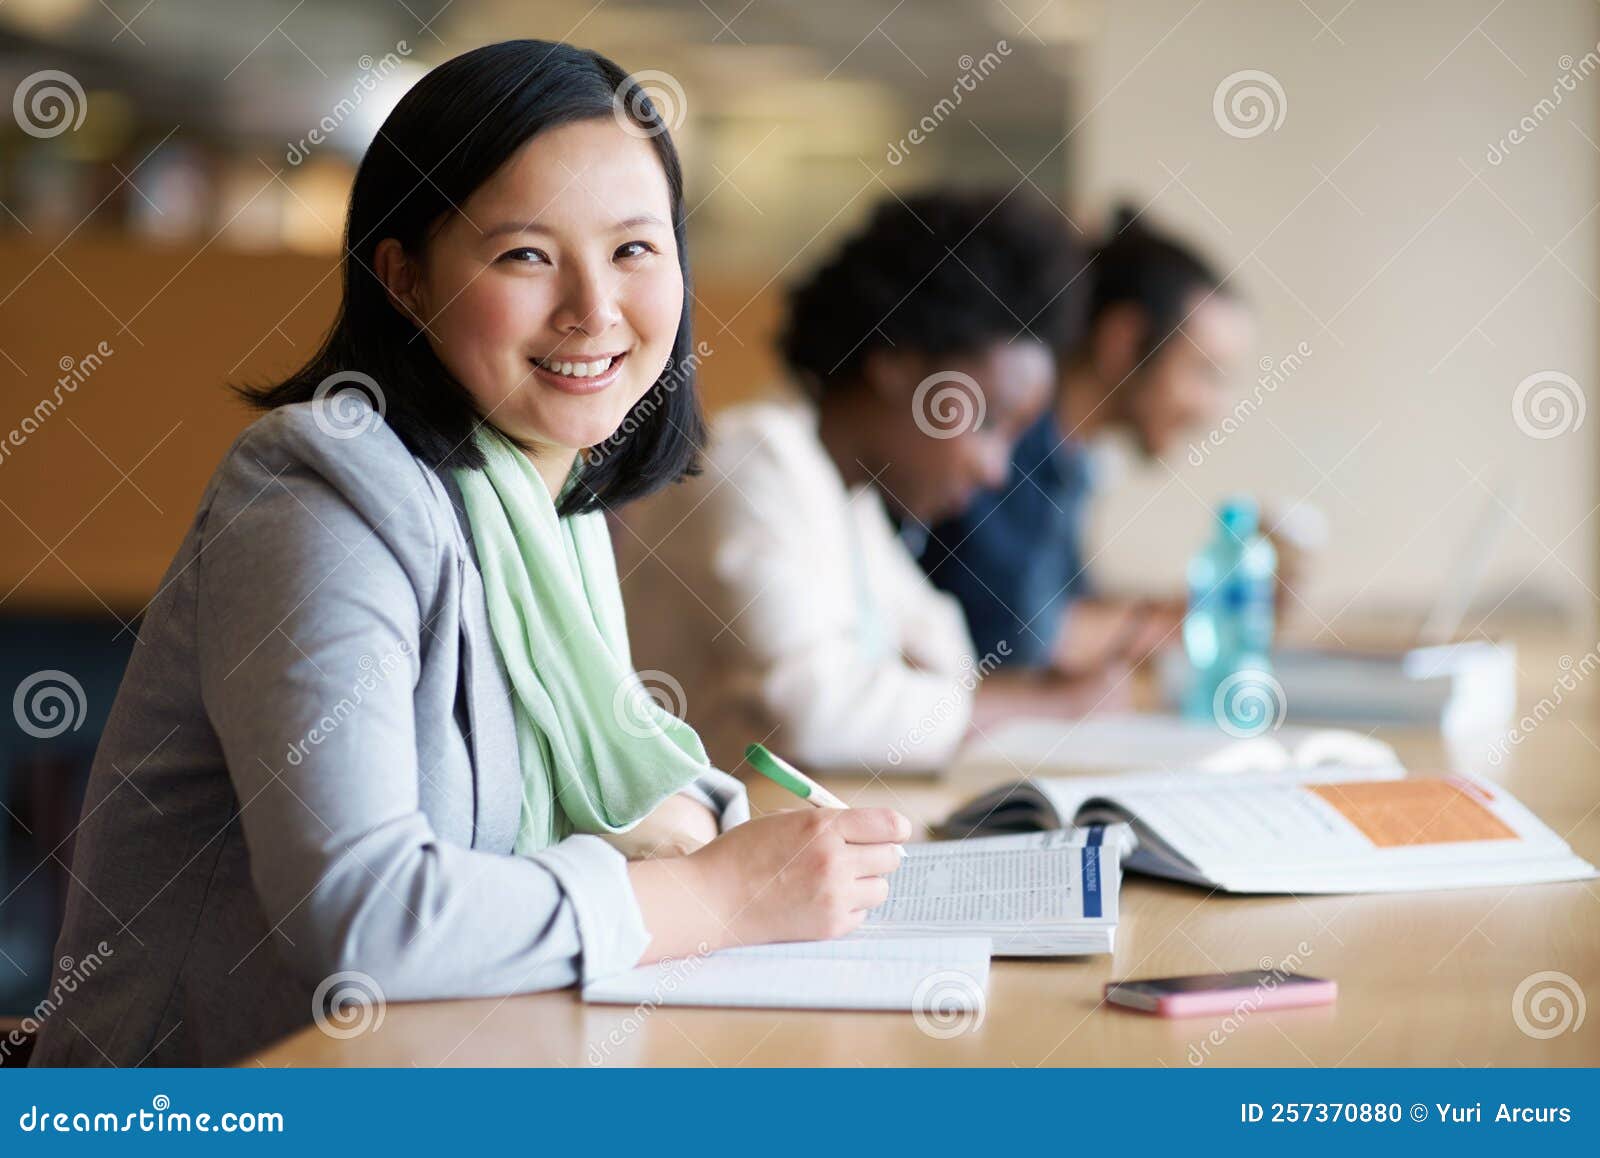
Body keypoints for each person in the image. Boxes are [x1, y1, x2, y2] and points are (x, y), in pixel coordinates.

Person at [31, 40, 908, 1068]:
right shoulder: (315, 501)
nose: (594, 309)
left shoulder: (553, 512)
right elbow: (362, 919)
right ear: (405, 280)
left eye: (634, 248)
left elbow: (621, 795)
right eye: (526, 255)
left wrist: (697, 837)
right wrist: (711, 895)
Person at [616, 190, 1105, 778]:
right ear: (897, 363)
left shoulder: (852, 499)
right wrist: (1049, 704)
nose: (995, 469)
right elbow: (819, 713)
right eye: (988, 422)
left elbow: (949, 658)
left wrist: (929, 697)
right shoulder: (754, 460)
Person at [919, 209, 1254, 675]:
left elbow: (1071, 609)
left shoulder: (1072, 462)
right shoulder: (1008, 446)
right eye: (1203, 372)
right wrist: (1201, 619)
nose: (1212, 407)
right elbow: (1015, 640)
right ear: (1123, 340)